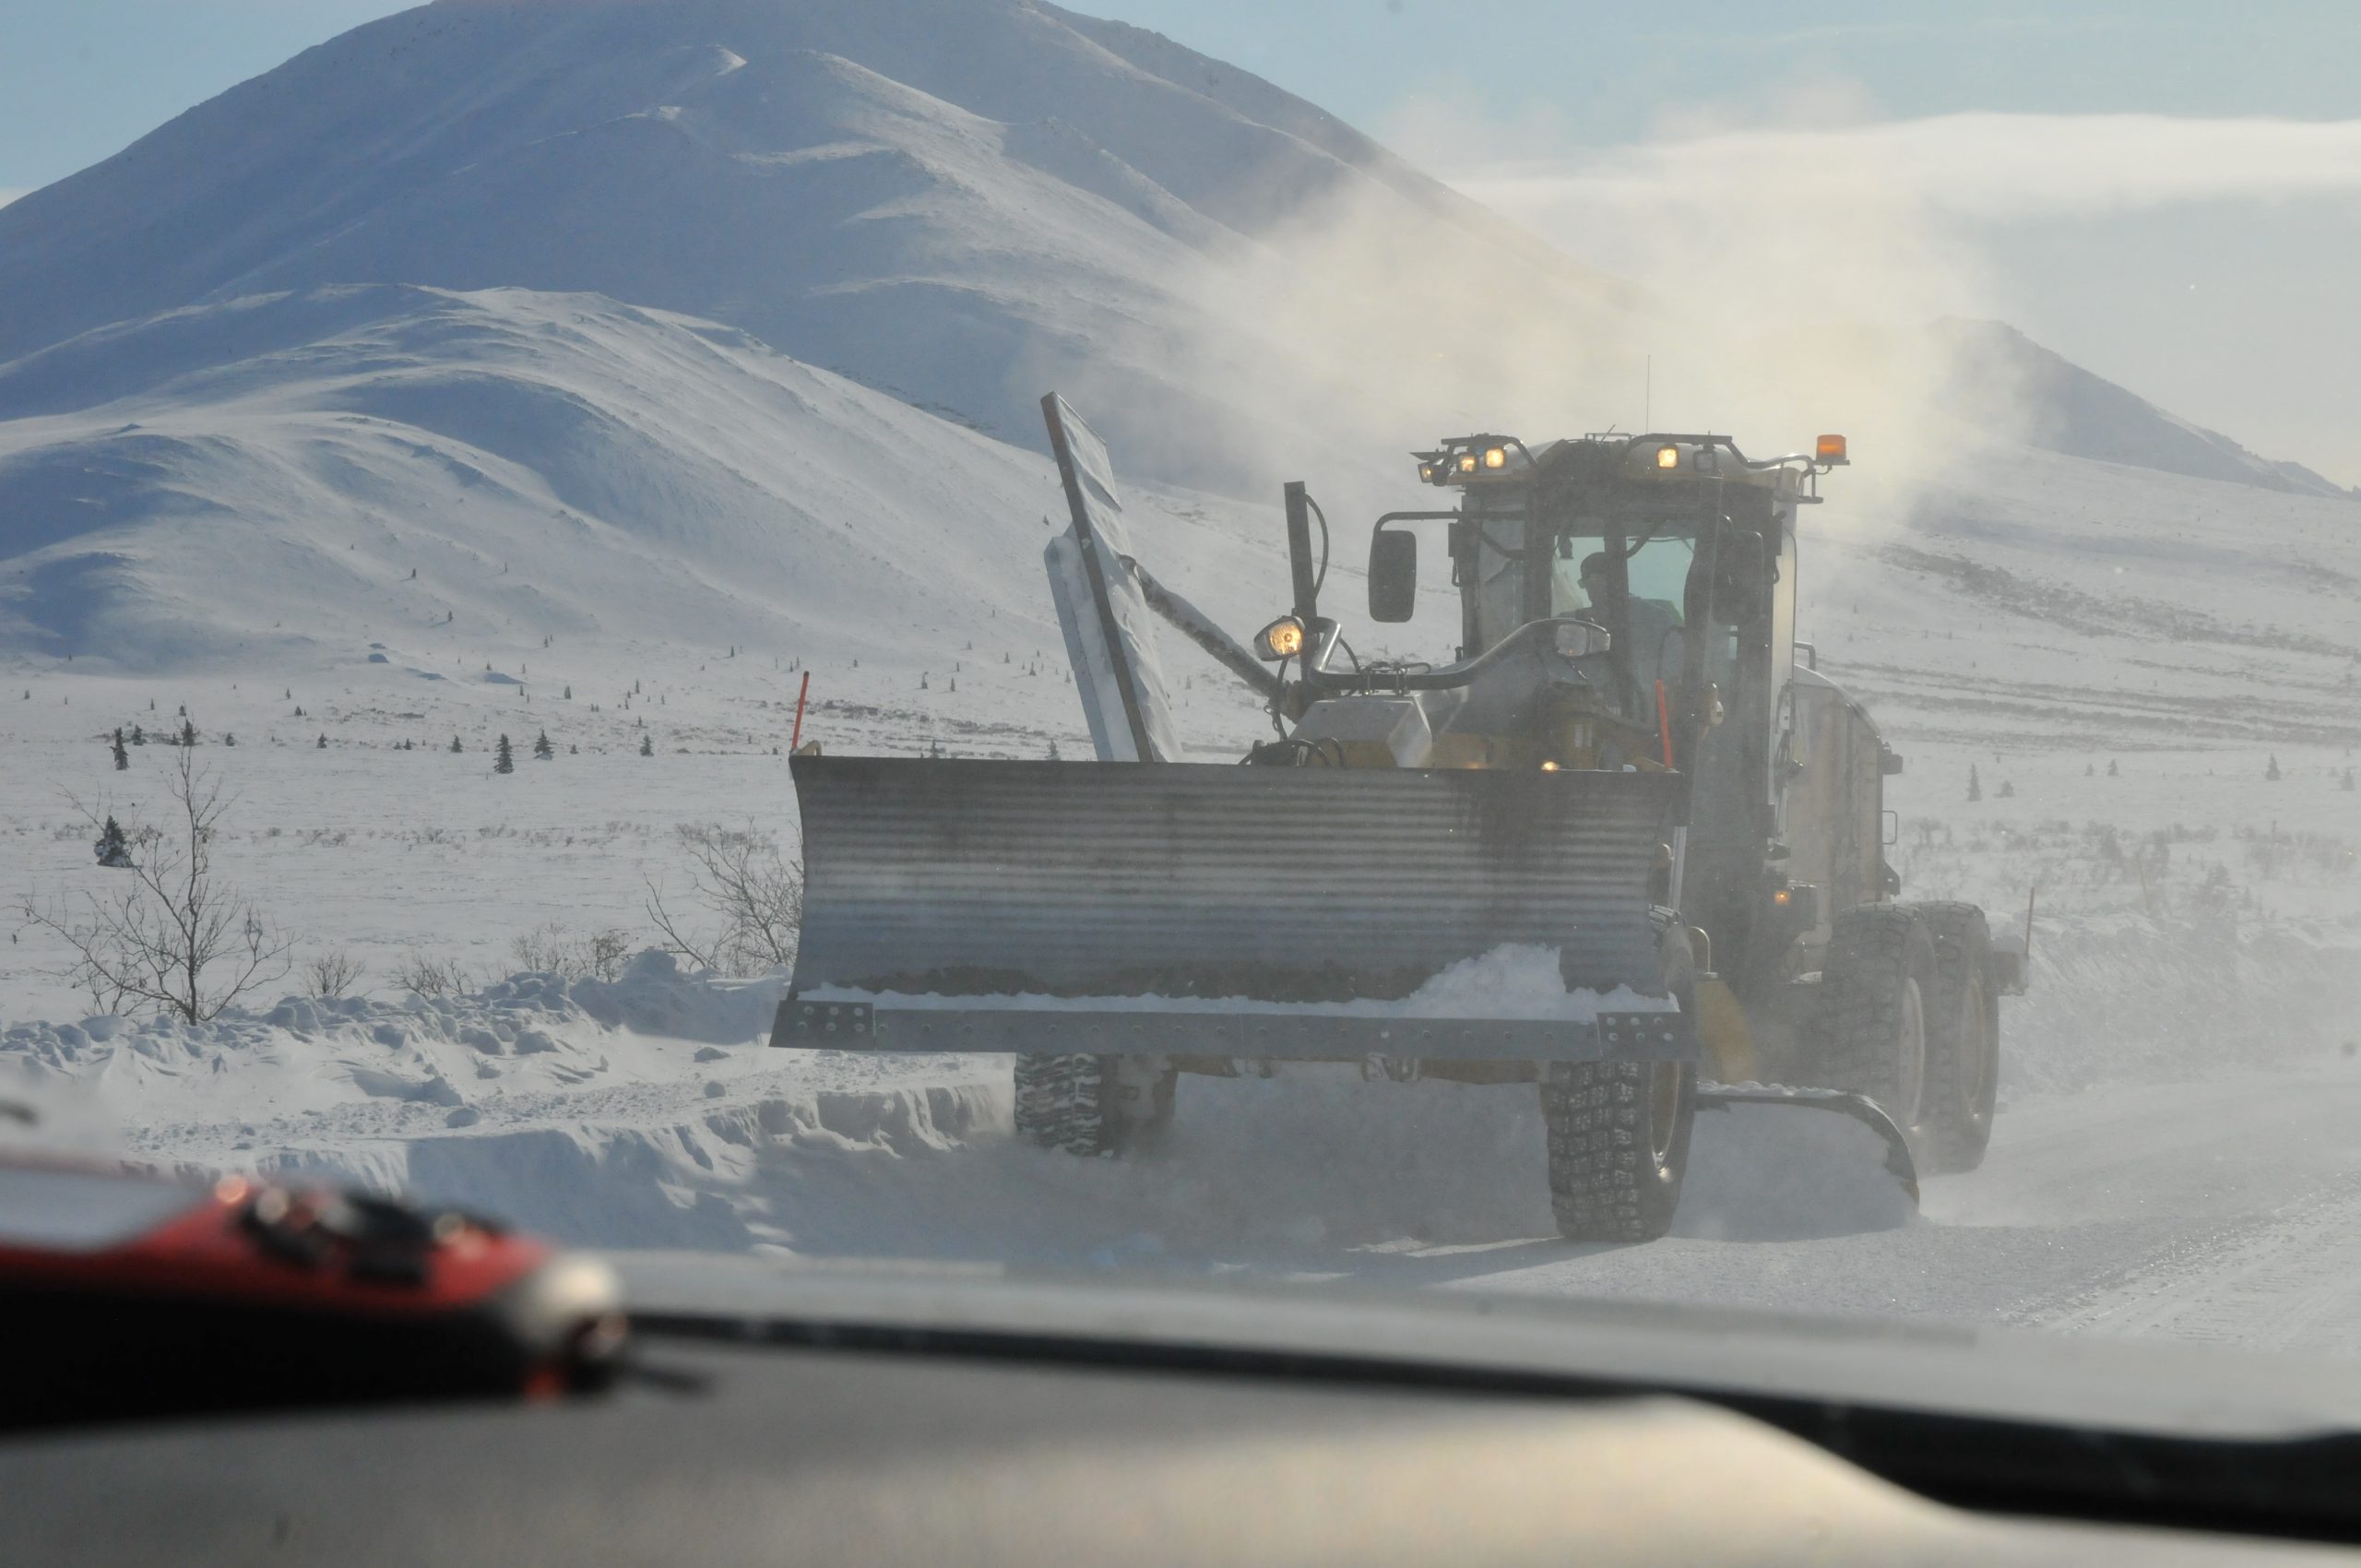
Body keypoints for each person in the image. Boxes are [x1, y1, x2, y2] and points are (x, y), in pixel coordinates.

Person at [1578, 552, 1684, 701]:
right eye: (1585, 584)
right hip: (1593, 708)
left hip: (1647, 709)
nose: (1589, 589)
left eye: (1593, 581)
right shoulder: (1576, 624)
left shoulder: (1655, 621)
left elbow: (1676, 670)